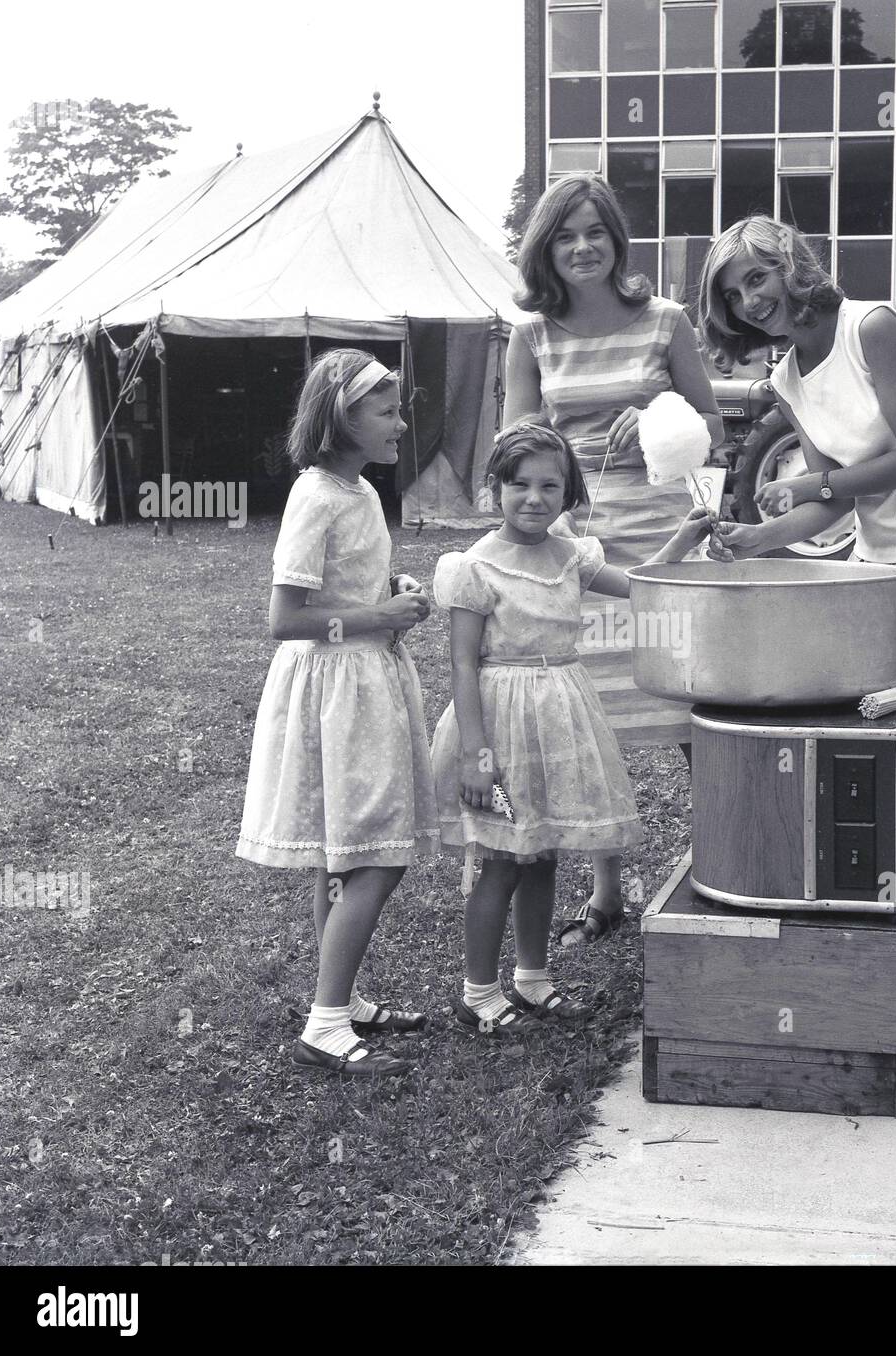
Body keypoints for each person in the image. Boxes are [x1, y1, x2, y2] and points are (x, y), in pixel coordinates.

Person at [699, 217, 896, 828]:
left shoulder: (870, 327)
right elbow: (836, 502)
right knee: (889, 735)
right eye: (733, 295)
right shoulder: (788, 379)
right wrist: (758, 539)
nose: (750, 301)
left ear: (791, 264)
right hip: (885, 561)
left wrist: (807, 484)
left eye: (757, 277)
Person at [428, 422, 712, 1034]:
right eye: (519, 485)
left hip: (558, 722)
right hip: (497, 733)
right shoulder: (471, 567)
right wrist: (475, 755)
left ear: (568, 493)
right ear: (495, 489)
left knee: (543, 853)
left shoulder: (571, 557)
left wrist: (684, 540)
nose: (534, 498)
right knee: (502, 857)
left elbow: (643, 588)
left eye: (549, 486)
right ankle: (479, 991)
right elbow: (461, 663)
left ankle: (533, 980)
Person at [504, 172, 724, 945]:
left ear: (617, 241)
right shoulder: (528, 336)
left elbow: (713, 428)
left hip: (669, 536)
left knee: (697, 708)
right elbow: (514, 449)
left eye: (595, 231)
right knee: (589, 716)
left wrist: (658, 411)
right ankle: (606, 891)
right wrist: (567, 453)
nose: (583, 247)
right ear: (546, 250)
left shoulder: (665, 321)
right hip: (581, 544)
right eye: (565, 236)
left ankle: (722, 861)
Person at [236, 349, 438, 1078]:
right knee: (377, 856)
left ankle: (341, 1000)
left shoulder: (358, 492)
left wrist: (389, 592)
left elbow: (341, 585)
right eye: (385, 410)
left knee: (339, 855)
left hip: (363, 674)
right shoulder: (316, 494)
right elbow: (286, 618)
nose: (401, 421)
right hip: (333, 685)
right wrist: (375, 614)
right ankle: (324, 1025)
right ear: (342, 418)